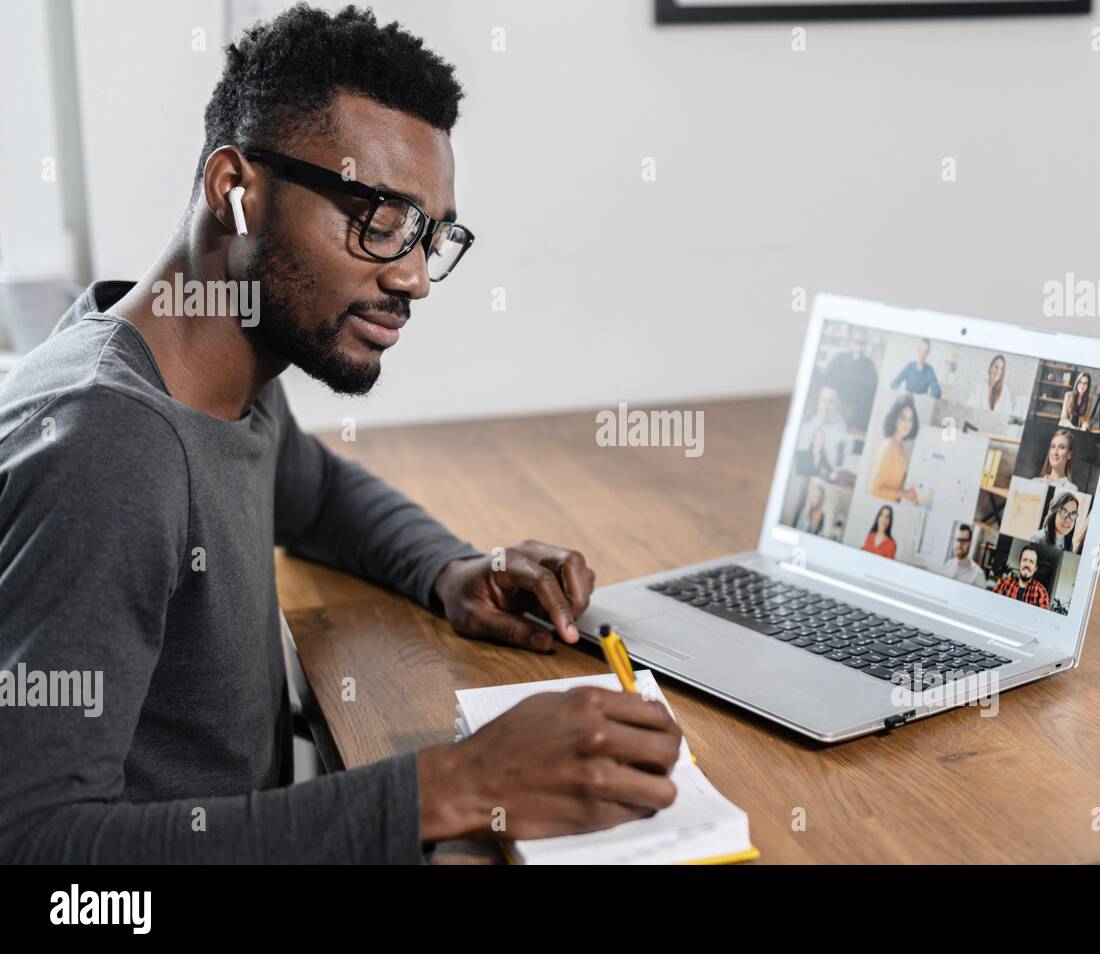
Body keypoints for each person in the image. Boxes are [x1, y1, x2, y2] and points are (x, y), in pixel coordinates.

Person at [0, 6, 683, 864]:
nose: (415, 277)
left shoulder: (208, 366)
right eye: (380, 218)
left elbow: (315, 492)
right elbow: (37, 852)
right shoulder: (108, 451)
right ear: (234, 190)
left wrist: (449, 569)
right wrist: (458, 787)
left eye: (431, 233)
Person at [868, 394, 920, 503]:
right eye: (903, 418)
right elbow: (874, 491)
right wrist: (903, 494)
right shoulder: (888, 447)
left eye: (910, 419)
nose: (907, 424)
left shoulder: (900, 447)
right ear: (894, 419)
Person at [1038, 428, 1079, 494]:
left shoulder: (1071, 489)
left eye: (1062, 447)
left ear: (1069, 454)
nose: (1055, 452)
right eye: (1053, 446)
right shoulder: (1034, 481)